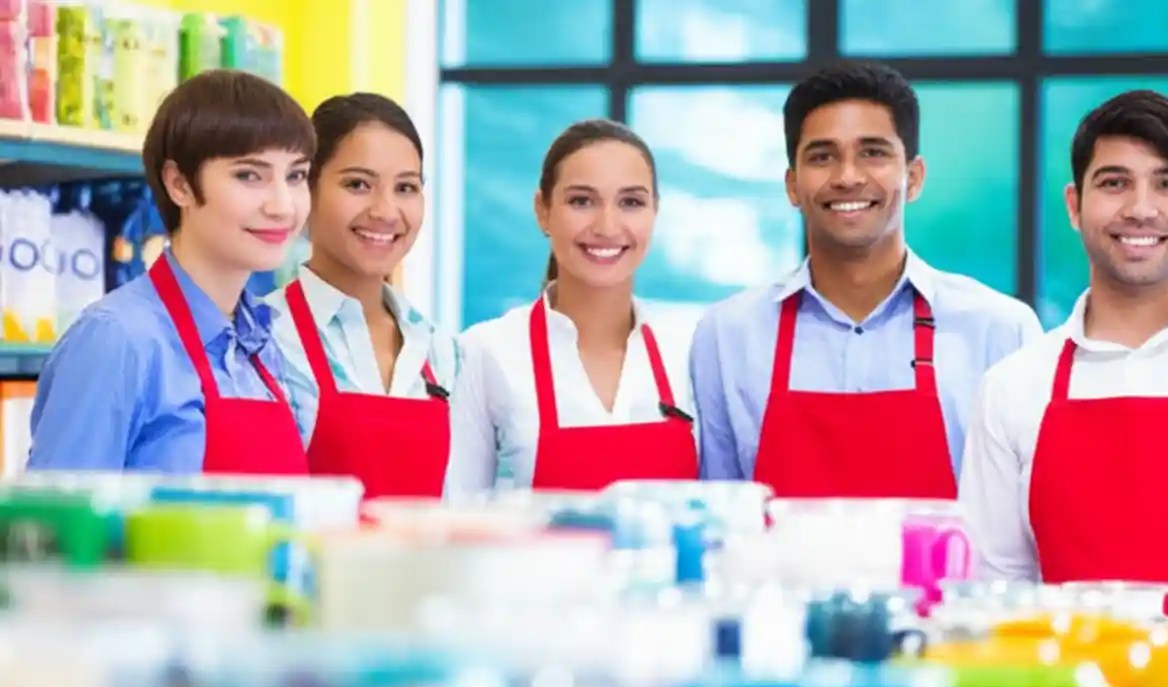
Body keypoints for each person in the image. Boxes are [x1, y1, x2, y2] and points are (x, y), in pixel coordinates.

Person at [959, 90, 1168, 628]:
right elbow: (996, 594)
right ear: (1073, 205)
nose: (1140, 208)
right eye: (1114, 183)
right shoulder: (1013, 387)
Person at [690, 61, 1041, 498]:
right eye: (822, 157)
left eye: (872, 152)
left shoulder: (1000, 331)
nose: (848, 177)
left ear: (913, 178)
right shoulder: (728, 335)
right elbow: (720, 521)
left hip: (952, 572)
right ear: (793, 185)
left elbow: (1021, 522)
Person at [27, 70, 315, 473]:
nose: (283, 206)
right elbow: (55, 525)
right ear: (178, 183)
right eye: (250, 175)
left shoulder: (265, 346)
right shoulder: (117, 339)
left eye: (296, 176)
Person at [446, 119, 697, 495]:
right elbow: (459, 519)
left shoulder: (690, 353)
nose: (608, 226)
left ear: (655, 212)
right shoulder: (484, 352)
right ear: (542, 210)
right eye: (581, 201)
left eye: (631, 202)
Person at [267, 92, 458, 498]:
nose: (386, 211)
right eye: (358, 184)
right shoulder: (262, 340)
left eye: (406, 188)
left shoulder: (442, 352)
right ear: (307, 189)